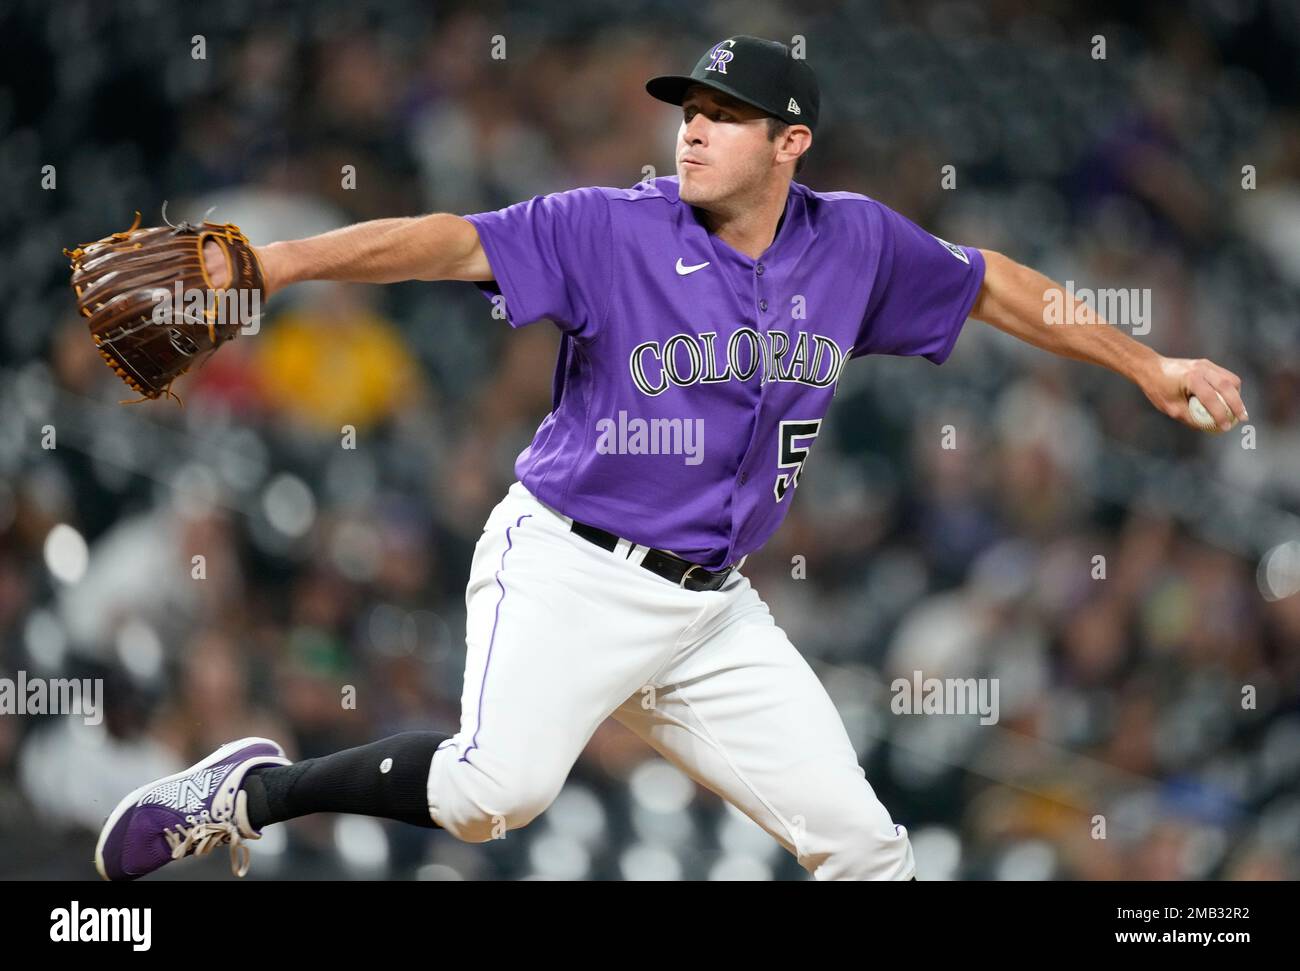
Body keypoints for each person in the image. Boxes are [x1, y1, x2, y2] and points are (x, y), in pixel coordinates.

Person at [95, 35, 1247, 882]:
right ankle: (244, 792)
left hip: (712, 612)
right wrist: (281, 264)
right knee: (492, 795)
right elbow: (451, 243)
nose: (693, 128)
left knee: (866, 849)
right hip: (569, 565)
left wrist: (1144, 364)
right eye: (687, 107)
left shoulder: (852, 242)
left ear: (788, 143)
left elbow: (993, 280)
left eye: (726, 113)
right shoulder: (613, 226)